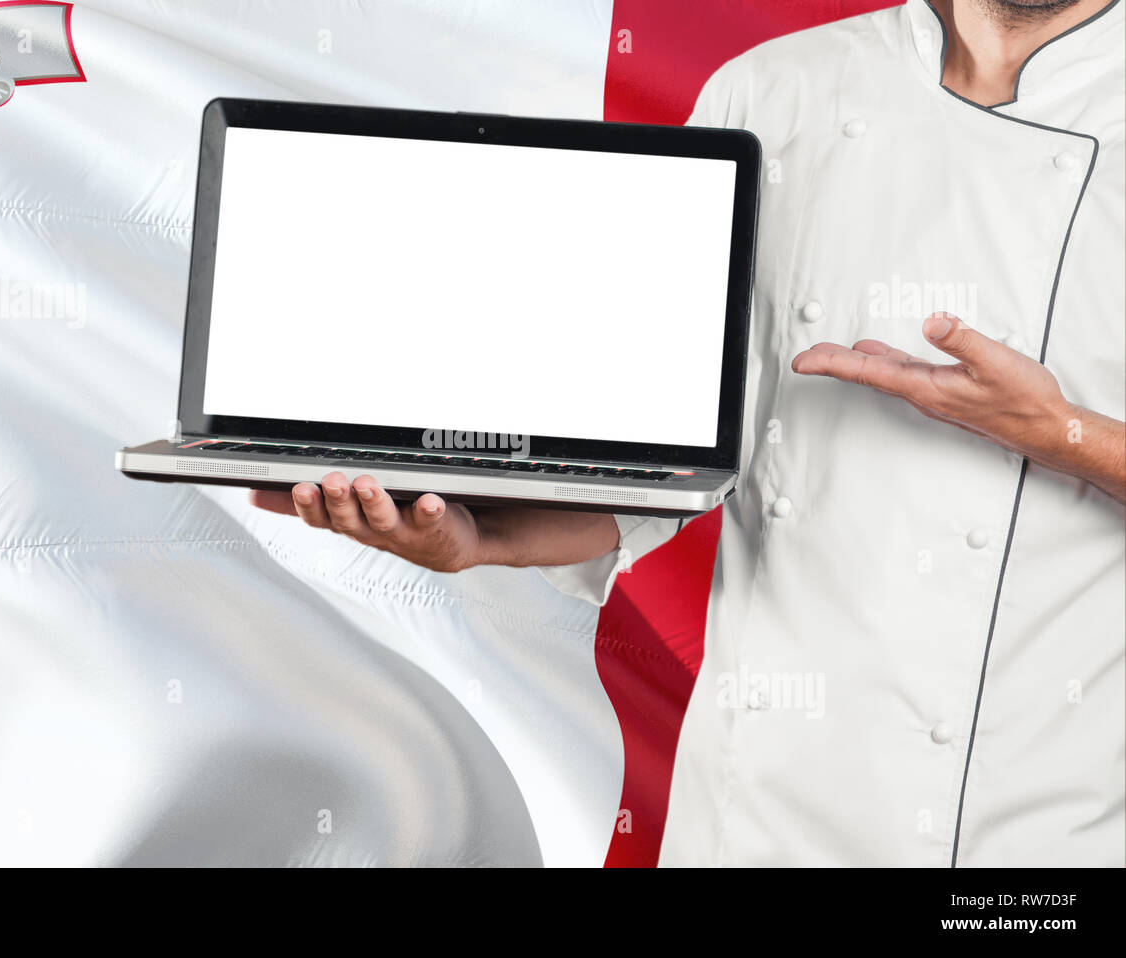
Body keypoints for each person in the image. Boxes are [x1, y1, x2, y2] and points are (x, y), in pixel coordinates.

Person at [252, 0, 1125, 865]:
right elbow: (674, 461)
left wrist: (1064, 435)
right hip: (757, 819)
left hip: (1038, 838)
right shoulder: (774, 92)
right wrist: (484, 537)